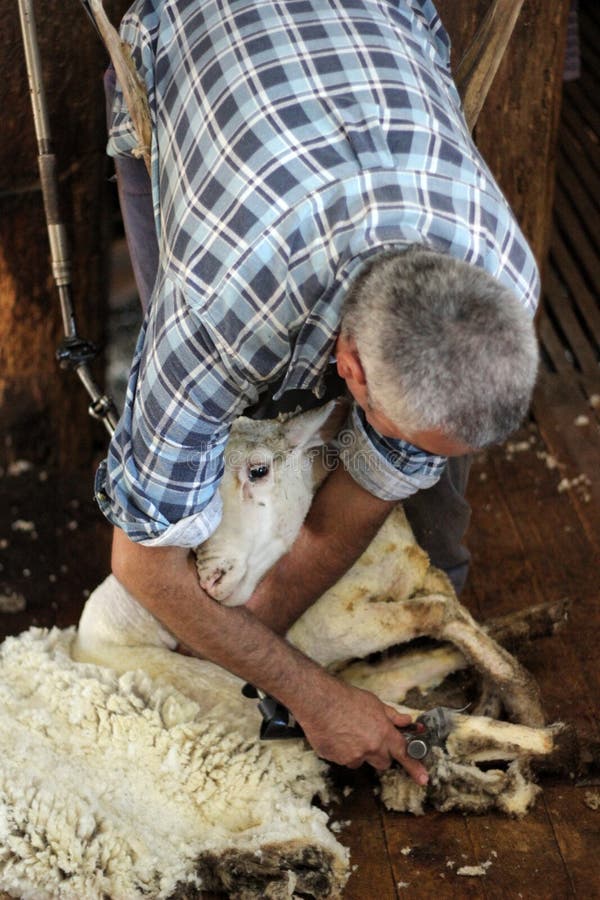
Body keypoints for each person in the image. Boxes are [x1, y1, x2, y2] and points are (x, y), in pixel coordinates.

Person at [96, 0, 540, 786]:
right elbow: (140, 561)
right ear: (351, 366)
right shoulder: (220, 311)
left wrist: (257, 650)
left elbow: (350, 507)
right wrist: (305, 690)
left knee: (406, 509)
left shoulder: (505, 275)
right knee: (200, 460)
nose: (402, 453)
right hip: (188, 44)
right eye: (394, 430)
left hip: (372, 29)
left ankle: (423, 607)